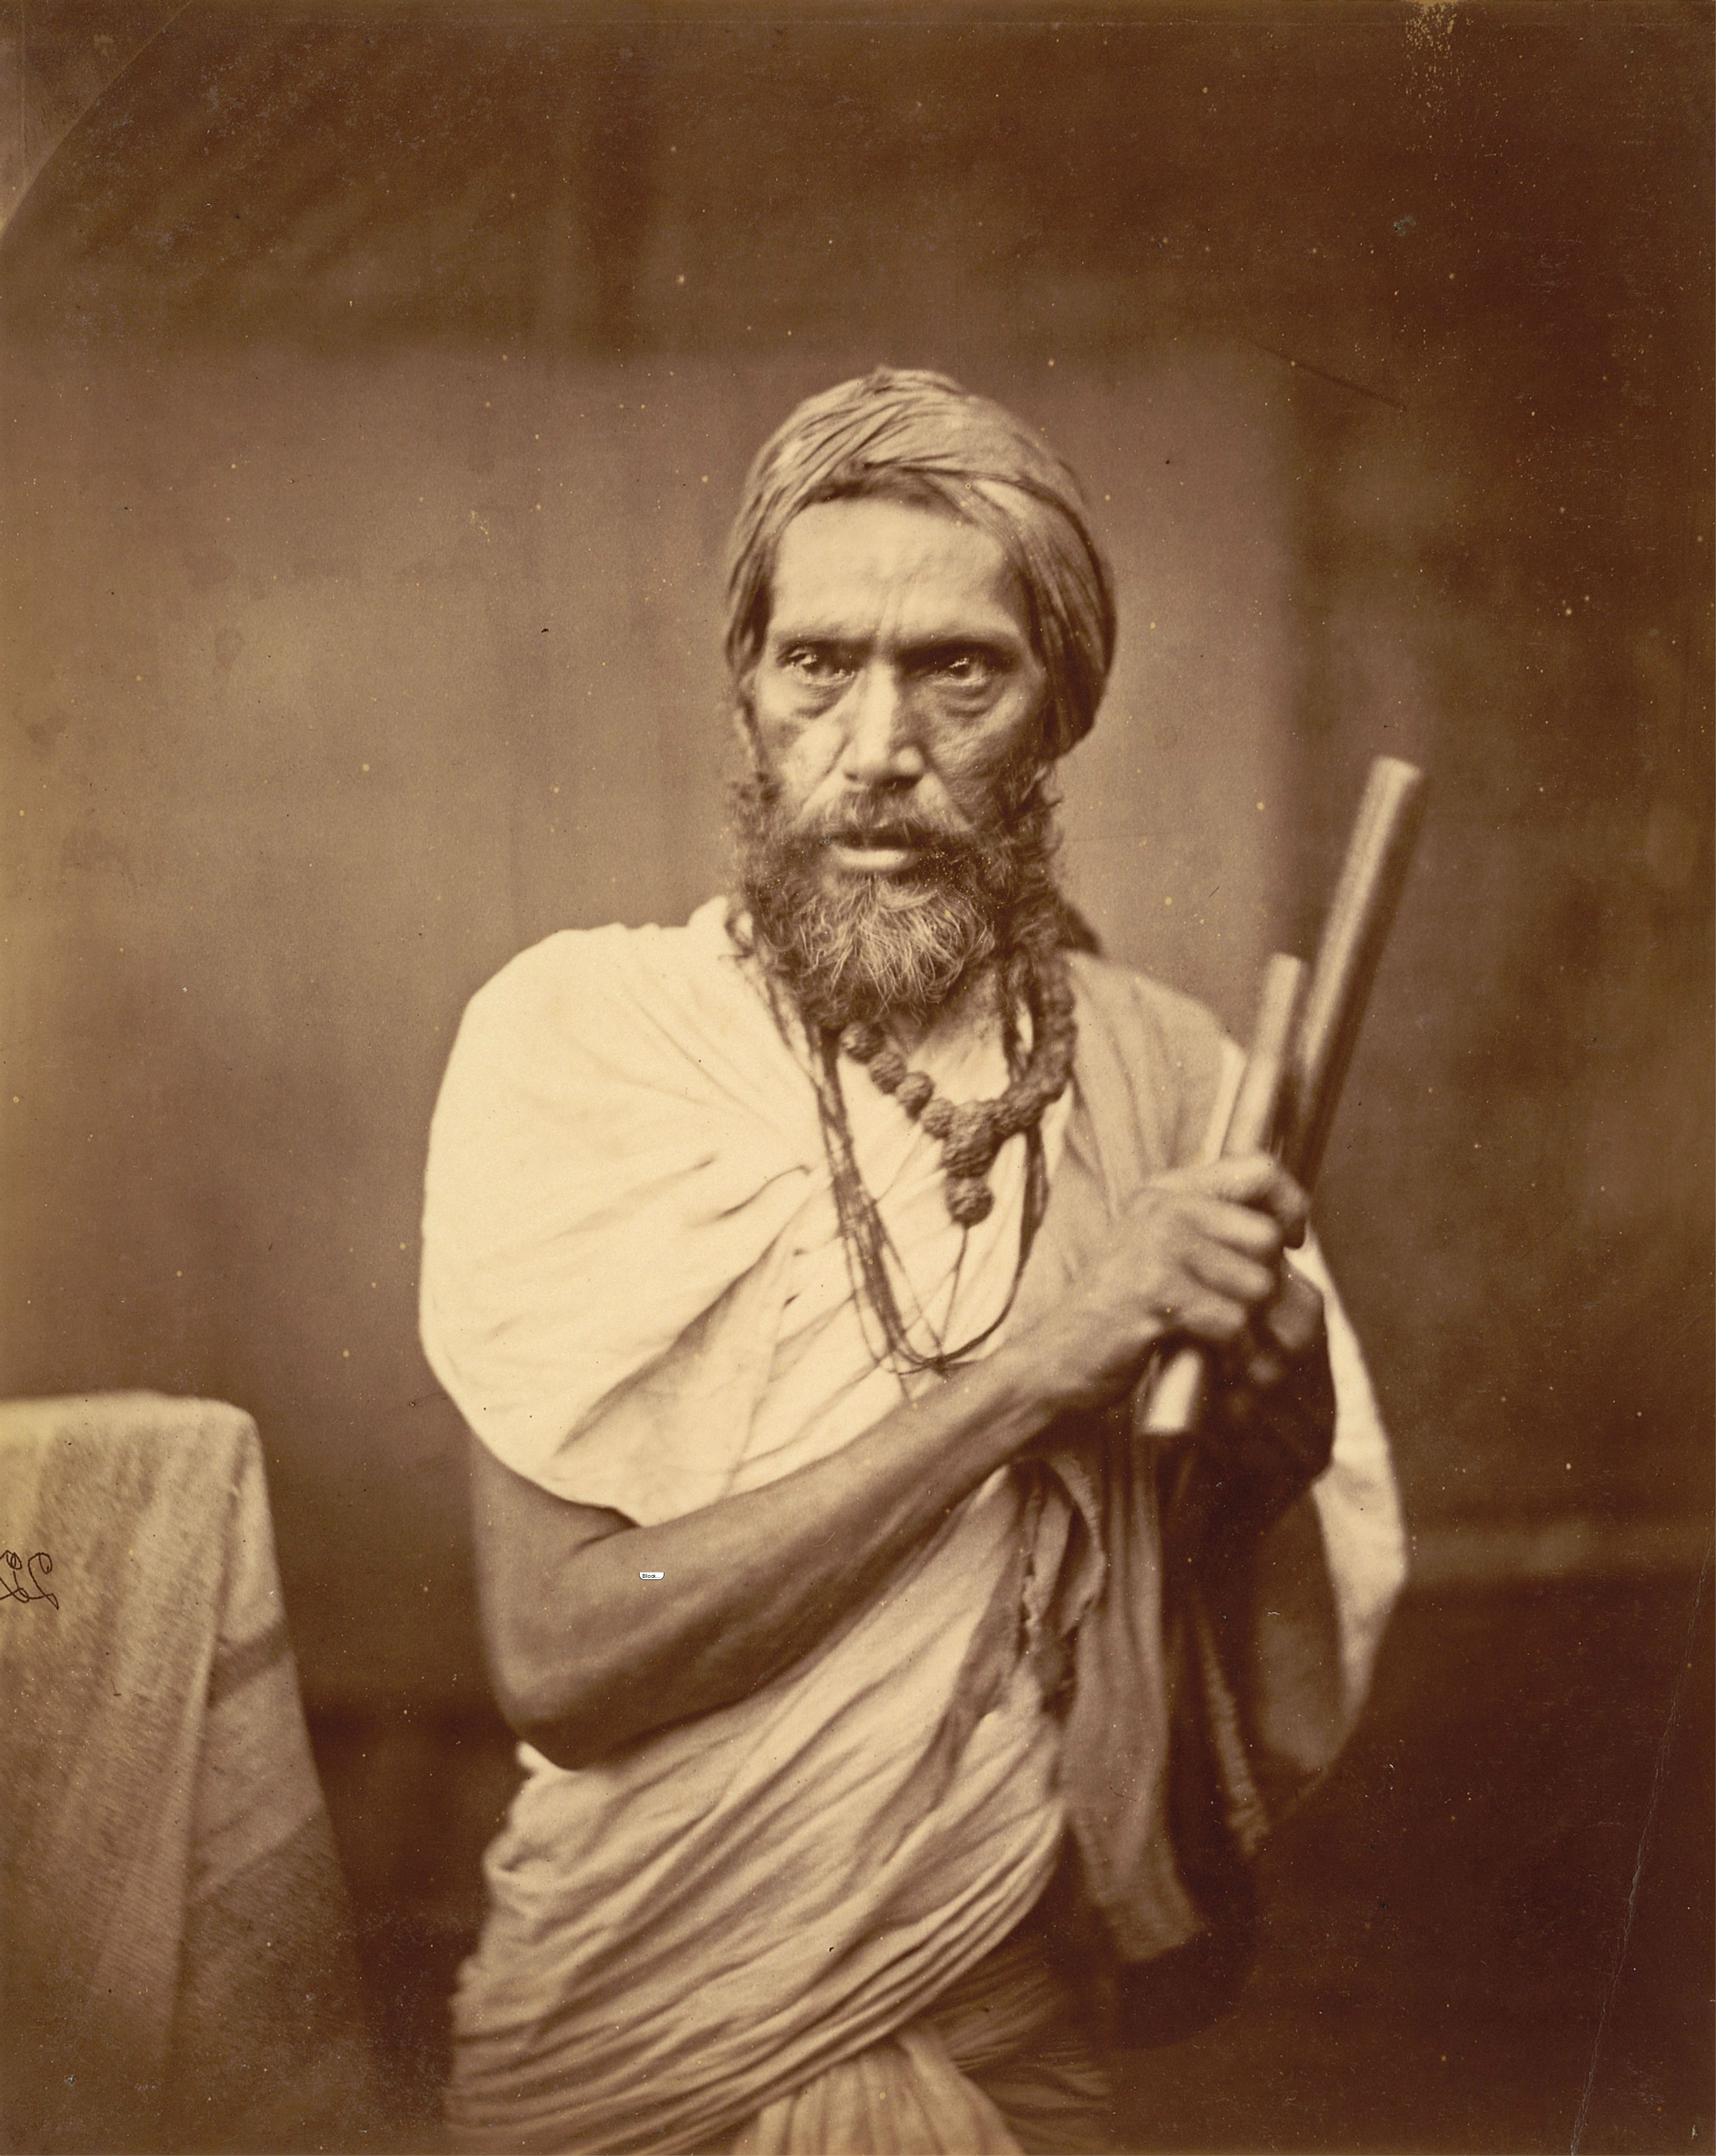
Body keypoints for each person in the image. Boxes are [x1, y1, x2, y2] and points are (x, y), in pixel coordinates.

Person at [419, 367, 1406, 2155]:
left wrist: (1257, 1461)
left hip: (1012, 2028)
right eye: (819, 665)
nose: (877, 746)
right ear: (748, 690)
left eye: (959, 669)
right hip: (636, 2029)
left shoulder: (1171, 1073)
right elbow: (560, 1656)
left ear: (1057, 711)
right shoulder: (583, 1038)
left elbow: (1222, 1679)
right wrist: (1048, 1360)